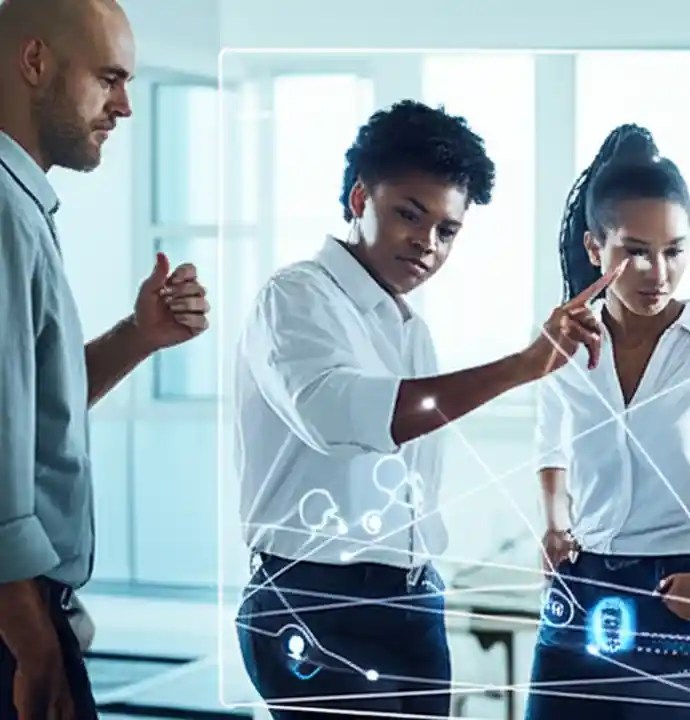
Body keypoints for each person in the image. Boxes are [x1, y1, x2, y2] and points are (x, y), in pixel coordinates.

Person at [233, 99, 618, 719]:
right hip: (315, 599)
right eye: (408, 215)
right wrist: (523, 365)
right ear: (360, 200)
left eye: (447, 230)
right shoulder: (296, 296)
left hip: (411, 600)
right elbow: (342, 417)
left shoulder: (412, 330)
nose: (427, 244)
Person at [0, 1, 211, 718]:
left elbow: (27, 416)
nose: (124, 106)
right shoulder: (1, 210)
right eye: (109, 79)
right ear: (34, 63)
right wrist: (34, 645)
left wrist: (137, 334)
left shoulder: (22, 206)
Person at [525, 124, 690, 720]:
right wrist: (554, 526)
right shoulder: (563, 345)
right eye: (634, 251)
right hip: (582, 592)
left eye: (674, 250)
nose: (657, 272)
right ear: (593, 248)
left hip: (683, 596)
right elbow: (550, 446)